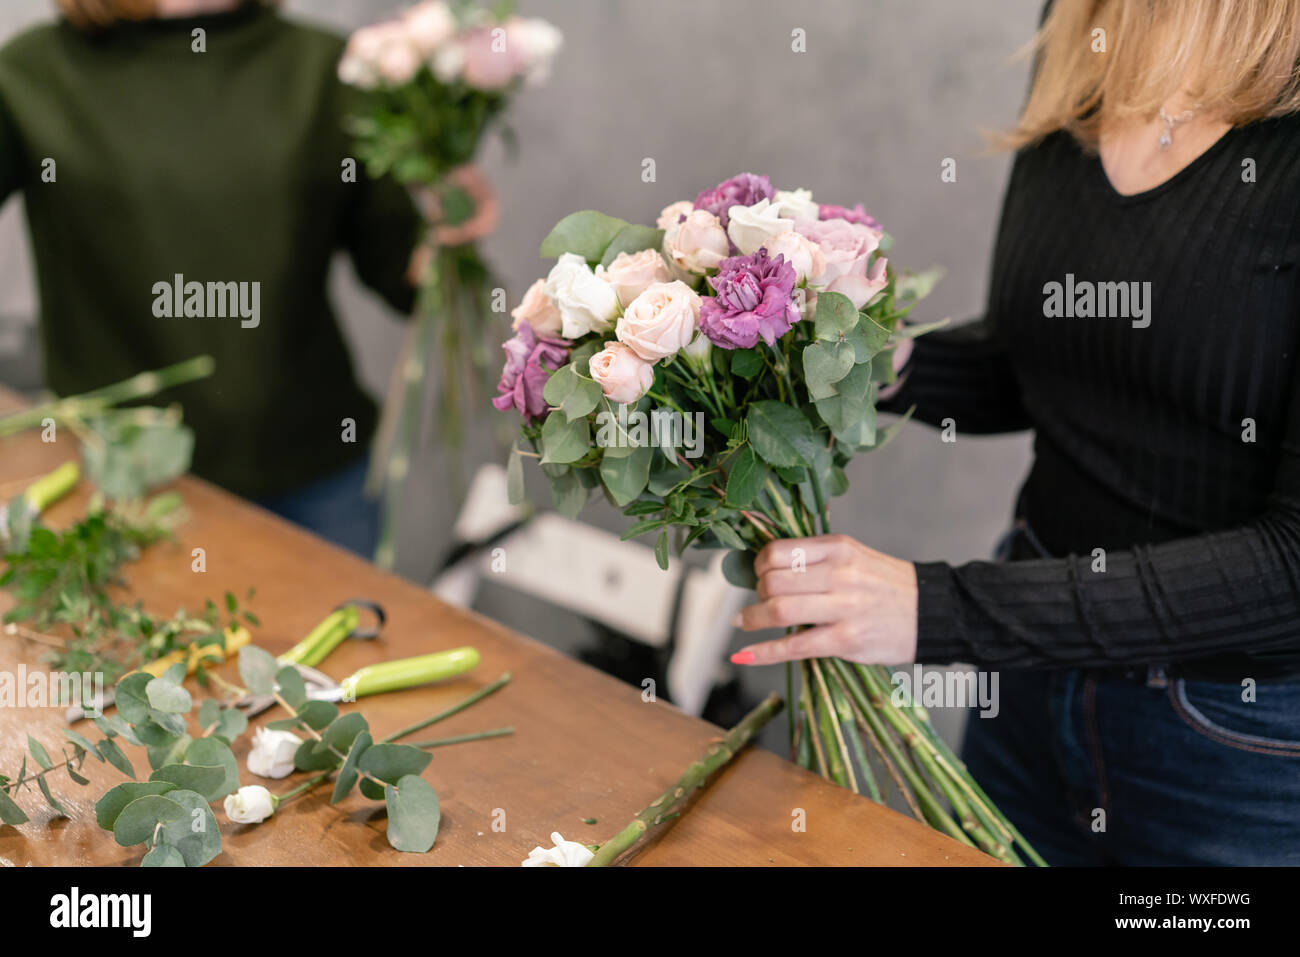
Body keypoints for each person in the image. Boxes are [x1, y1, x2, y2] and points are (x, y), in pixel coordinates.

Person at [732, 0, 1300, 866]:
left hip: (1234, 749)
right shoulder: (1087, 28)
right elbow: (1056, 362)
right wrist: (832, 356)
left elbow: (1292, 568)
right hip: (1030, 688)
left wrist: (936, 610)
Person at [0, 0, 495, 556]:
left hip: (317, 480)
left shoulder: (327, 68)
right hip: (118, 486)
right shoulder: (33, 73)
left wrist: (445, 235)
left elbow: (401, 273)